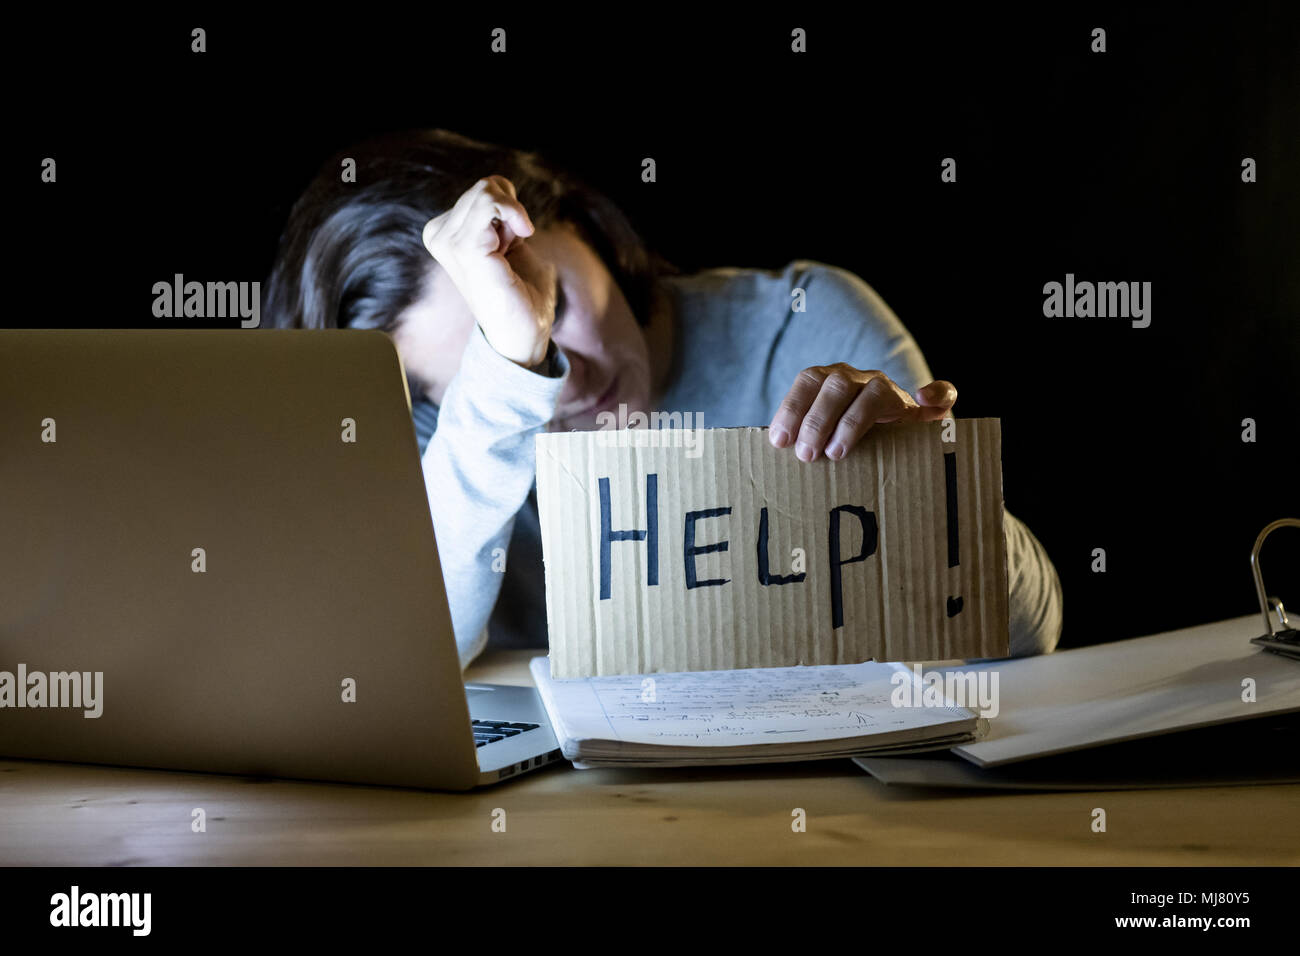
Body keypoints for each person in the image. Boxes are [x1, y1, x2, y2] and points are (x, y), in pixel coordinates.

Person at [264, 128, 1063, 669]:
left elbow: (1023, 642)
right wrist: (503, 375)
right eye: (500, 363)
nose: (570, 379)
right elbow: (387, 668)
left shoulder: (803, 328)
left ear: (588, 232)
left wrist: (932, 498)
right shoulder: (448, 447)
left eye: (552, 306)